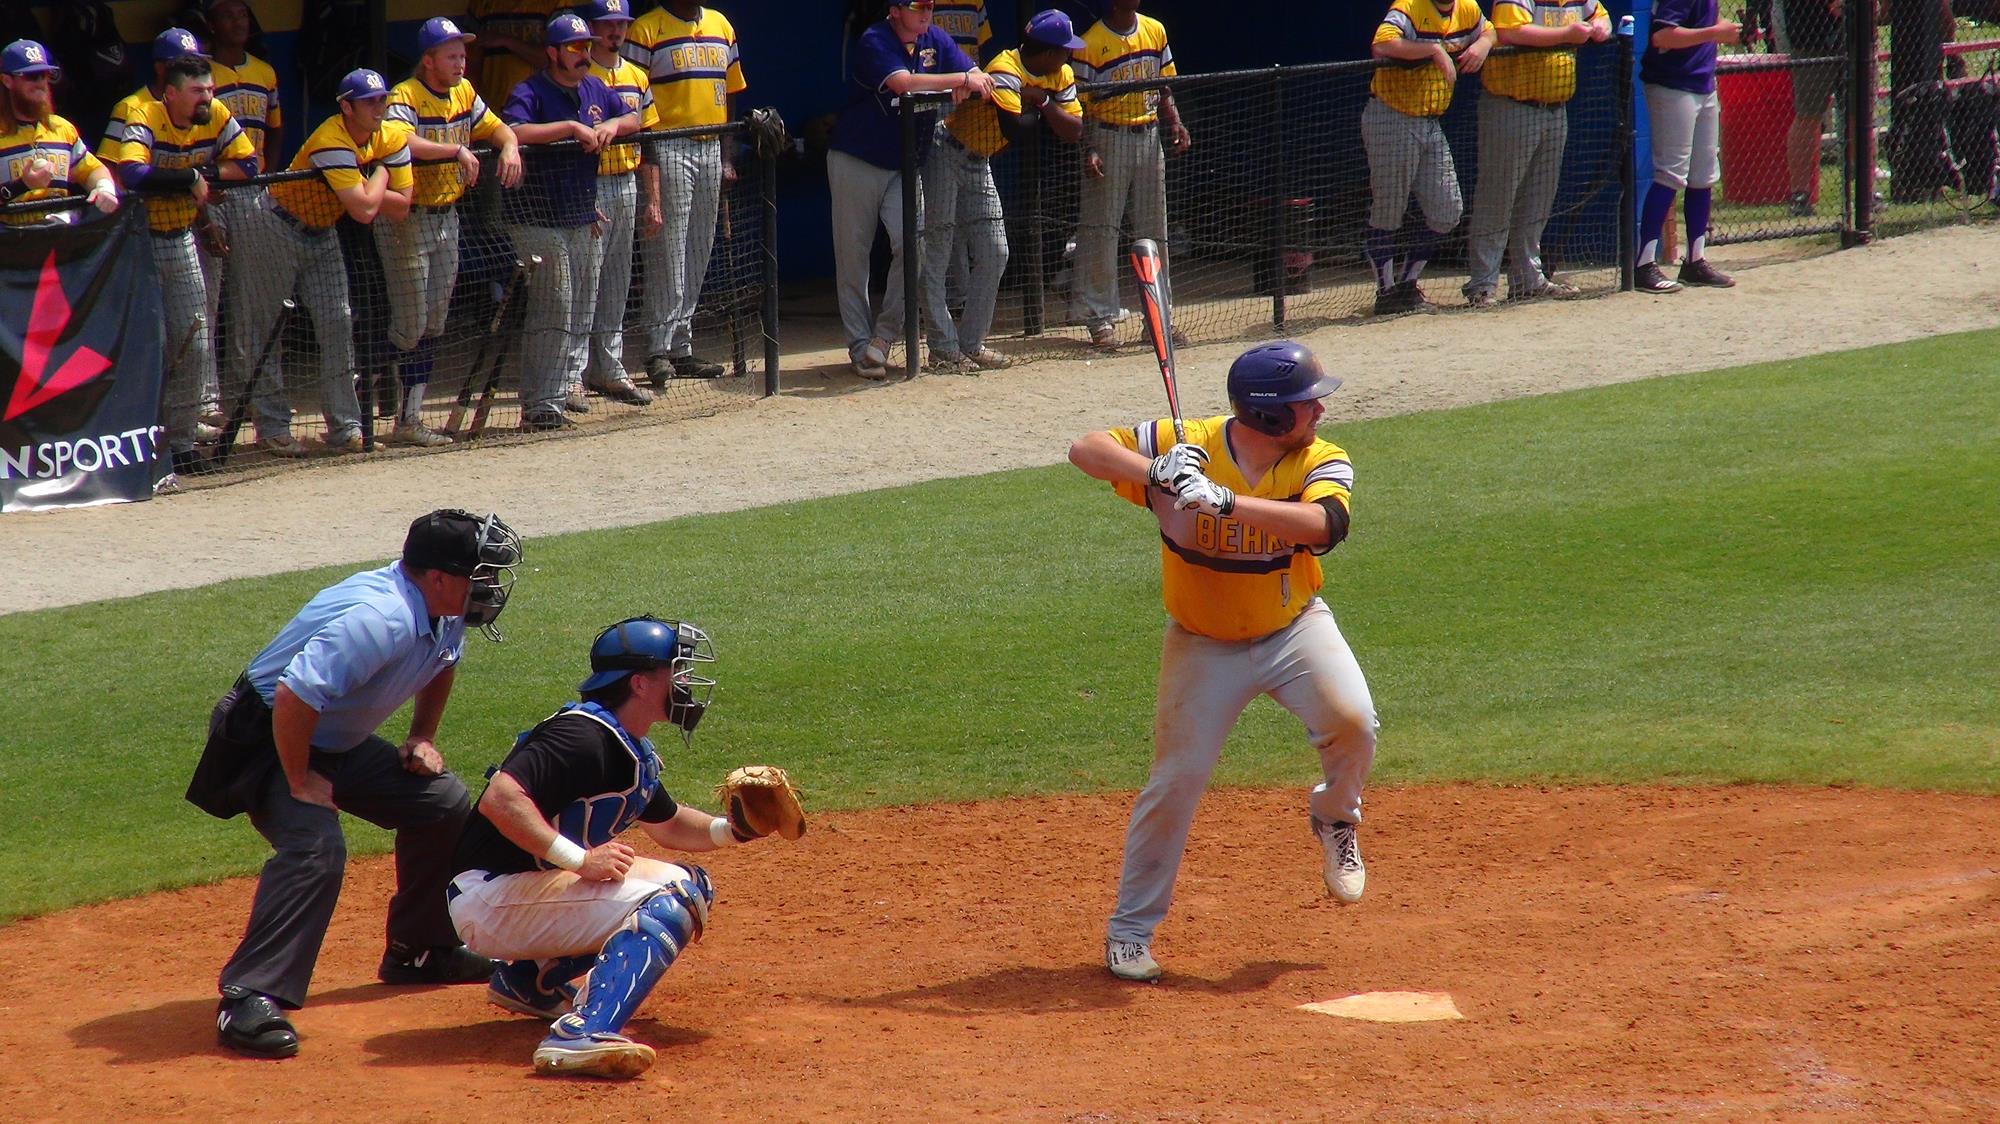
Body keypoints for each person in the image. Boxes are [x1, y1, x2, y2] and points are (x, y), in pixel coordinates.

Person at [1067, 342, 1377, 982]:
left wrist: (1223, 502)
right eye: (1305, 403)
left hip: (1293, 630)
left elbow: (1325, 526)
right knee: (1175, 783)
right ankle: (1130, 932)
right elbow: (1085, 449)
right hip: (1203, 645)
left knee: (1354, 721)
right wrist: (1155, 472)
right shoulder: (1187, 443)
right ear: (1268, 415)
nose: (1318, 410)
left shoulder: (1322, 457)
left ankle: (1334, 817)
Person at [193, 510, 525, 1059]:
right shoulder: (382, 617)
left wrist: (422, 737)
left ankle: (422, 950)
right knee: (315, 845)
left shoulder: (443, 610)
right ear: (439, 577)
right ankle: (246, 996)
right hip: (269, 736)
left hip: (331, 740)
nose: (490, 585)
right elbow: (296, 693)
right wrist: (300, 780)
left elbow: (442, 664)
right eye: (480, 573)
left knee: (441, 801)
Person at [447, 615, 778, 1079]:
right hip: (489, 898)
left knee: (688, 883)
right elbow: (501, 799)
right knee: (672, 898)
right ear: (641, 684)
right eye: (676, 672)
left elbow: (670, 824)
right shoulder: (580, 737)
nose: (685, 682)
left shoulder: (625, 746)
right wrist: (581, 860)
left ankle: (529, 979)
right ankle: (582, 1032)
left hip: (518, 894)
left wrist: (735, 829)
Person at [233, 68, 412, 456]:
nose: (379, 107)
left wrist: (369, 184)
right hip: (275, 226)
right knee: (265, 331)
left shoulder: (391, 134)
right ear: (347, 107)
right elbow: (366, 210)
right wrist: (380, 172)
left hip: (323, 232)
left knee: (338, 321)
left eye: (382, 99)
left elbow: (402, 207)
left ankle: (345, 426)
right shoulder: (331, 139)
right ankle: (272, 427)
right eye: (369, 102)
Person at [379, 17, 525, 448]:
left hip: (447, 216)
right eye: (452, 55)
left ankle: (410, 418)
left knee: (434, 321)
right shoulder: (405, 94)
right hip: (408, 219)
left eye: (463, 53)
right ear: (428, 61)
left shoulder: (463, 91)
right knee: (409, 323)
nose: (462, 61)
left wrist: (511, 145)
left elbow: (497, 127)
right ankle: (380, 404)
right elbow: (400, 141)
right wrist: (456, 149)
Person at [829, 0, 993, 380]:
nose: (926, 13)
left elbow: (975, 73)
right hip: (858, 159)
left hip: (903, 164)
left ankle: (883, 339)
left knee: (913, 244)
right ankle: (859, 347)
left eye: (930, 5)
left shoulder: (933, 38)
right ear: (895, 10)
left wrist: (966, 77)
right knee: (854, 257)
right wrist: (958, 81)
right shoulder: (875, 38)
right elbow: (903, 83)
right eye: (917, 6)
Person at [114, 53, 255, 477]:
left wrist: (202, 171)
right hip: (138, 246)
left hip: (180, 240)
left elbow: (248, 164)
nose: (207, 98)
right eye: (197, 91)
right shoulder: (143, 113)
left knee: (193, 343)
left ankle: (180, 442)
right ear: (171, 92)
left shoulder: (215, 114)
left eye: (210, 89)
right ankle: (139, 440)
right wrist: (190, 180)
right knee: (147, 345)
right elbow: (133, 173)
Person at [923, 9, 1085, 374]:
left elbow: (1074, 130)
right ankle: (944, 350)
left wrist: (1040, 100)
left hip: (980, 160)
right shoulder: (1004, 67)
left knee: (996, 252)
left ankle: (970, 343)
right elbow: (1017, 128)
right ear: (1046, 52)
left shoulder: (1060, 73)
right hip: (947, 152)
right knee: (937, 251)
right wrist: (1041, 105)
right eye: (1064, 50)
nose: (1069, 55)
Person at [501, 12, 642, 430]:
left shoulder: (595, 87)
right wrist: (570, 127)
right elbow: (515, 130)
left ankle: (555, 394)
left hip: (581, 215)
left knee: (579, 303)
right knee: (554, 304)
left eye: (586, 47)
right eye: (575, 48)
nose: (583, 55)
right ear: (552, 53)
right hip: (537, 217)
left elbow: (634, 118)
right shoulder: (532, 89)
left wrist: (612, 126)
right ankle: (542, 402)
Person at [621, 0, 747, 386]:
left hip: (711, 145)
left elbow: (731, 92)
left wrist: (727, 155)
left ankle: (681, 347)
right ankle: (657, 349)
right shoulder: (646, 29)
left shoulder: (721, 24)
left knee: (699, 249)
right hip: (667, 144)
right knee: (667, 253)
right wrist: (650, 162)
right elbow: (633, 98)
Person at [1463, 0, 1610, 306]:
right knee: (1498, 196)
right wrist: (1568, 32)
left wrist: (1599, 29)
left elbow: (1602, 18)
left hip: (1555, 107)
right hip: (1513, 104)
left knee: (1538, 199)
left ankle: (1529, 280)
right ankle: (1483, 285)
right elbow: (1511, 30)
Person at [1070, 0, 1188, 350]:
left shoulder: (1154, 29)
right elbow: (1079, 104)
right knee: (1101, 229)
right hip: (1108, 136)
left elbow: (1163, 86)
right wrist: (1088, 148)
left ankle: (1158, 317)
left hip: (1148, 134)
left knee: (1155, 230)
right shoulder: (1090, 42)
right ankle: (1099, 319)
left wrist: (1176, 122)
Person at [1365, 0, 1493, 315]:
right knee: (1388, 209)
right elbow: (1382, 44)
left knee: (1448, 210)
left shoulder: (1466, 8)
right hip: (1392, 115)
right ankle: (1387, 293)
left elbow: (1489, 30)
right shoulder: (1410, 7)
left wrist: (1483, 45)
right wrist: (1434, 50)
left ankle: (1407, 284)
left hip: (1430, 121)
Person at [201, 0, 284, 433]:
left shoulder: (265, 71)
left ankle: (251, 401)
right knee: (208, 301)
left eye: (244, 15)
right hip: (211, 194)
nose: (240, 22)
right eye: (229, 15)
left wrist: (266, 169)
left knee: (253, 302)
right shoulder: (199, 74)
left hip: (250, 190)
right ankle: (209, 403)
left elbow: (275, 126)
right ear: (211, 25)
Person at [581, 0, 661, 406]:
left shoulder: (637, 76)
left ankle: (608, 369)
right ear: (592, 28)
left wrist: (654, 200)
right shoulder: (577, 73)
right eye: (608, 24)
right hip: (588, 187)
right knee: (583, 284)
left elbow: (648, 142)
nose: (616, 31)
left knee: (616, 281)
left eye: (621, 24)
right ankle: (572, 377)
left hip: (626, 182)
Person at [1636, 0, 1741, 292]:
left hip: (1703, 82)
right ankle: (1643, 264)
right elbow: (1662, 36)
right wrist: (1713, 33)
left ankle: (1695, 260)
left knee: (1703, 175)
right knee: (1670, 173)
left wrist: (1713, 33)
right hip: (1673, 84)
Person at [0, 40, 121, 224]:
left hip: (57, 243)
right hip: (10, 247)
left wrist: (104, 188)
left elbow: (93, 170)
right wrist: (21, 186)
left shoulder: (61, 128)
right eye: (31, 76)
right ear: (7, 80)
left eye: (44, 74)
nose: (41, 82)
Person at [1774, 0, 1842, 216]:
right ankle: (1800, 194)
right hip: (1811, 34)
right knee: (1808, 114)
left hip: (1855, 32)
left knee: (1860, 113)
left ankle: (1866, 191)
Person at [466, 0, 562, 110]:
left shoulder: (555, 3)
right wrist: (475, 106)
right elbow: (471, 65)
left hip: (539, 108)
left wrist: (506, 41)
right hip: (492, 107)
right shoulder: (480, 4)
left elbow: (553, 60)